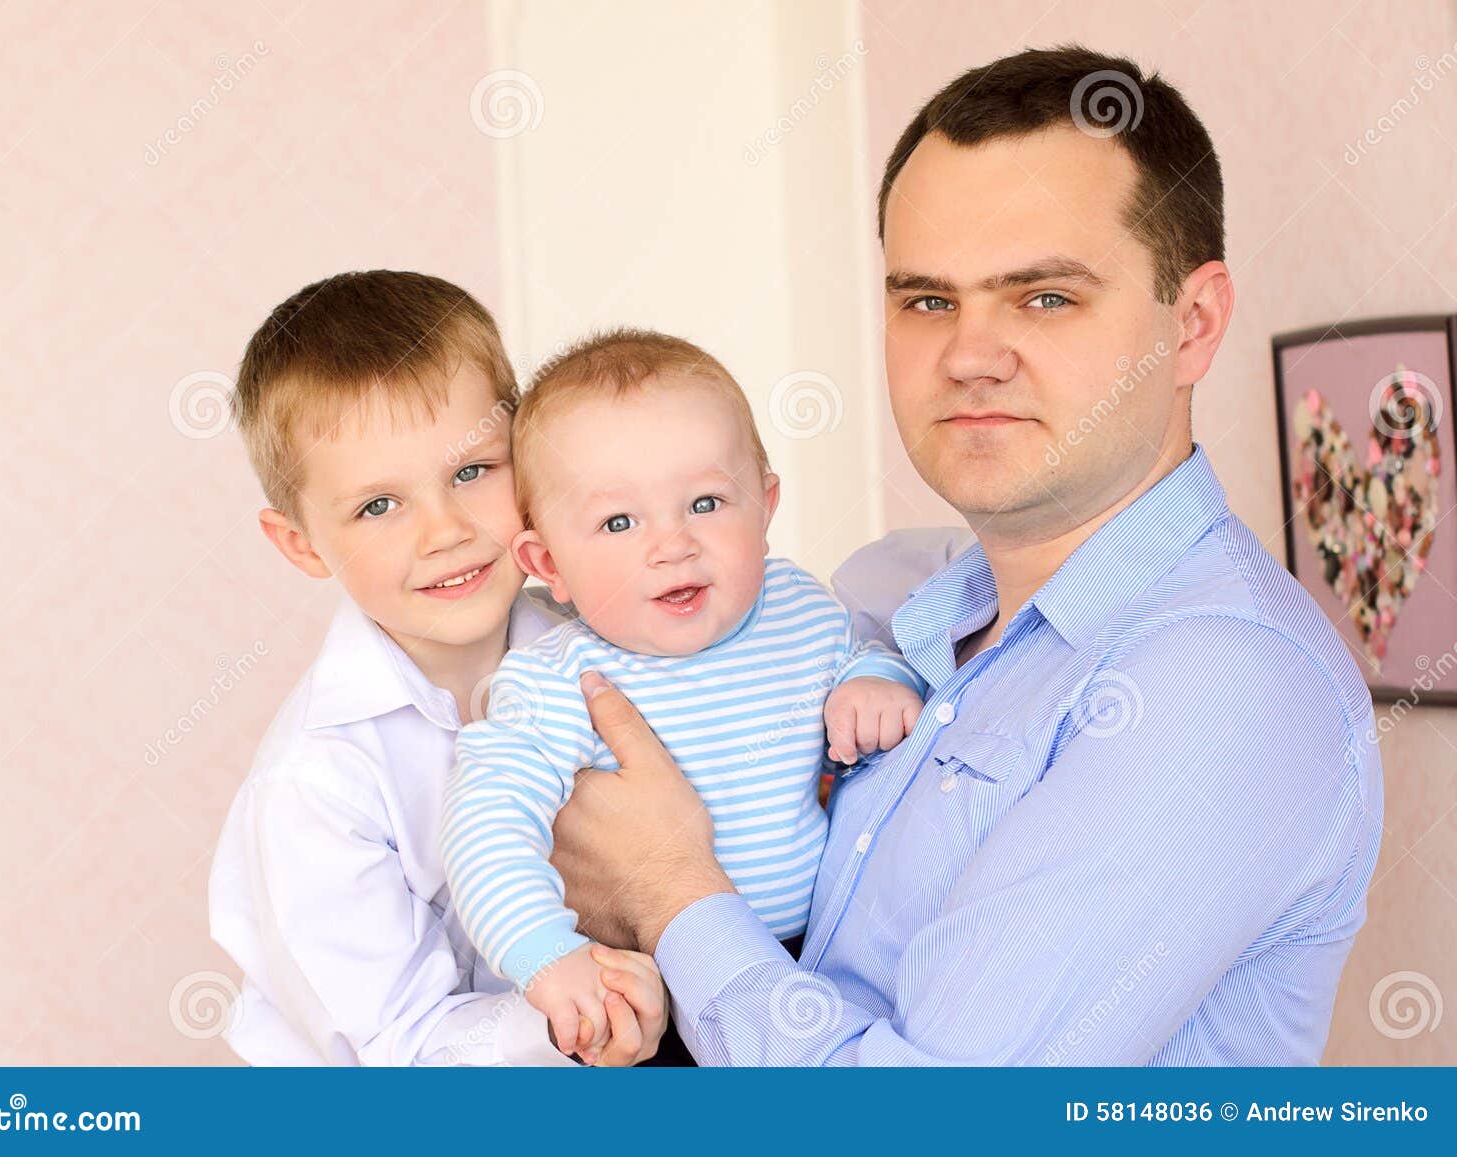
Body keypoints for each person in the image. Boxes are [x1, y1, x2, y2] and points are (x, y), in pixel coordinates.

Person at [545, 45, 1385, 1065]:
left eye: (1044, 297)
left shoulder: (1224, 681)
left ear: (1193, 323)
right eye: (928, 300)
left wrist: (668, 886)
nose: (968, 354)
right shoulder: (878, 593)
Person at [207, 271, 666, 1066]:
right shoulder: (319, 782)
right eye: (378, 506)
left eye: (471, 470)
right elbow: (402, 1049)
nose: (445, 531)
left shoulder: (602, 648)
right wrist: (585, 1009)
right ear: (302, 543)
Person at [441, 329, 927, 1062]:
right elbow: (483, 827)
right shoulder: (556, 680)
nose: (672, 543)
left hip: (809, 966)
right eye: (618, 522)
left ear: (764, 507)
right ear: (550, 564)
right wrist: (545, 953)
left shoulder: (796, 605)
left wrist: (878, 683)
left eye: (705, 501)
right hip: (650, 992)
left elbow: (860, 657)